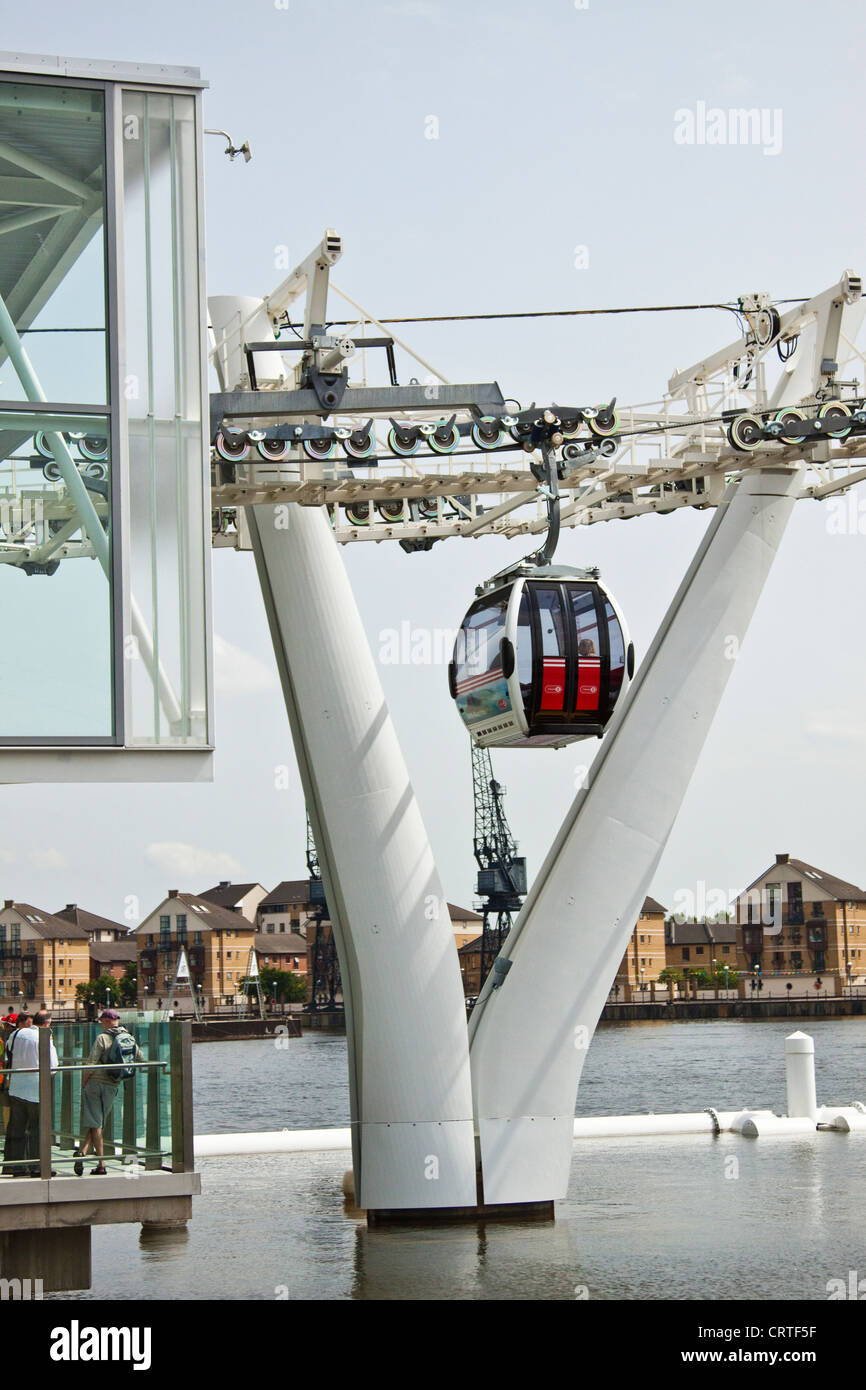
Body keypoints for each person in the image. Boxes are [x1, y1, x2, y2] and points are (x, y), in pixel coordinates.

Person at [74, 1009, 143, 1176]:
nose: (100, 1024)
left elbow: (91, 1063)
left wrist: (83, 1083)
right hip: (113, 1084)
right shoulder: (129, 1038)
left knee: (95, 1123)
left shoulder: (102, 1038)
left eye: (101, 1021)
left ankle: (101, 1164)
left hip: (95, 1083)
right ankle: (83, 1152)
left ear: (106, 1021)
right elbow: (140, 1058)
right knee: (97, 1122)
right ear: (117, 1021)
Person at [2, 1013, 57, 1178]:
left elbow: (7, 1055)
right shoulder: (44, 1038)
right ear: (47, 1024)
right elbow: (53, 1067)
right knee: (37, 1129)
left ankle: (16, 1167)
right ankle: (37, 1166)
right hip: (36, 1090)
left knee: (17, 1128)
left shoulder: (16, 1033)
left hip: (16, 1087)